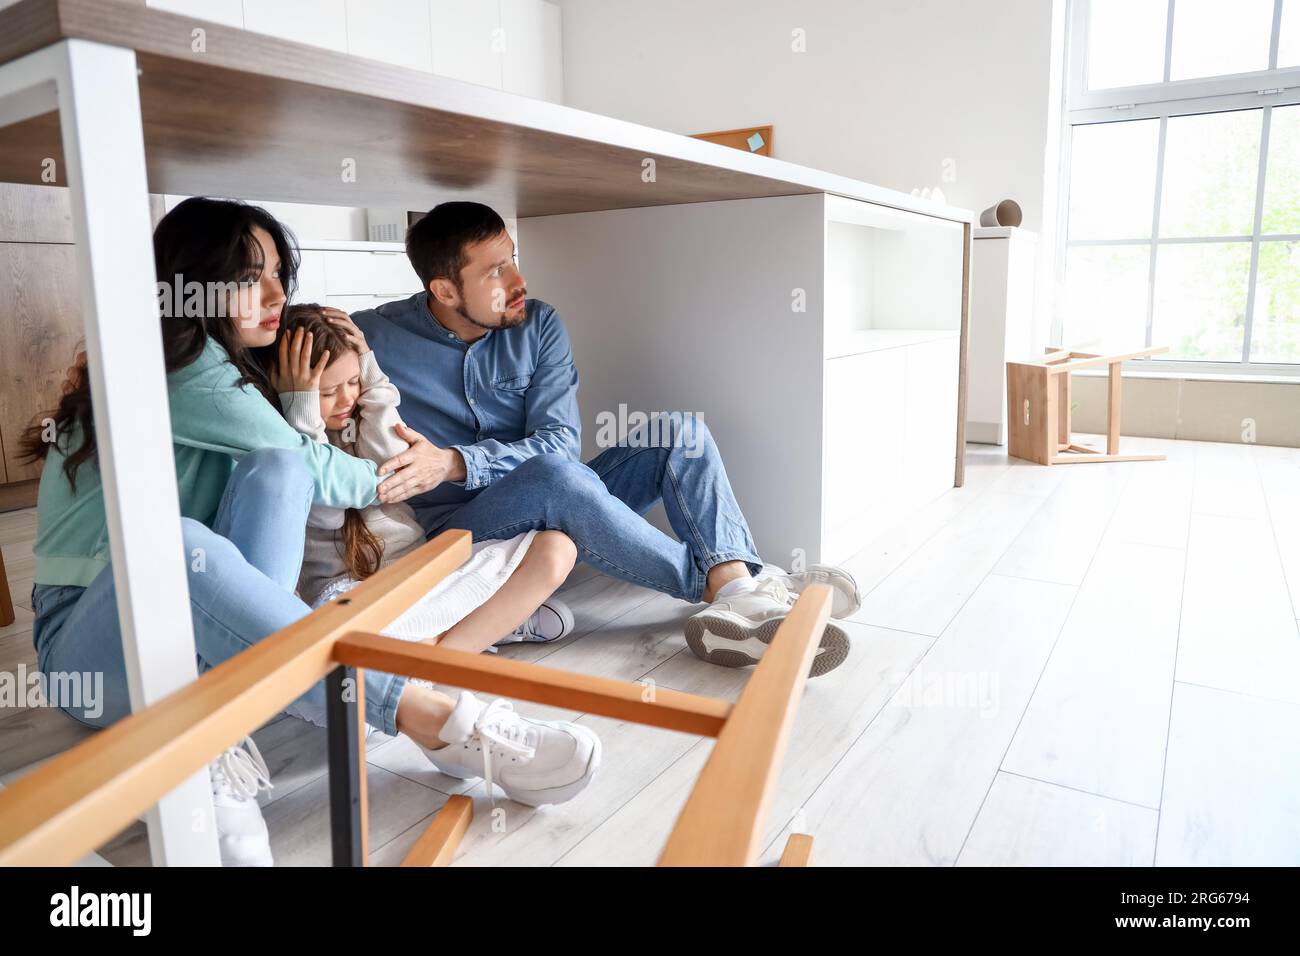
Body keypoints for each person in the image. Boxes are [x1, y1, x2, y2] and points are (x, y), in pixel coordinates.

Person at [23, 198, 599, 867]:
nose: (275, 293)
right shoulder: (181, 371)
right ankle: (437, 721)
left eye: (278, 274)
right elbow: (327, 471)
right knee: (182, 543)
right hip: (89, 647)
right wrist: (408, 474)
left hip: (193, 644)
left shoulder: (226, 367)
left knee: (275, 471)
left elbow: (299, 459)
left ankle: (224, 723)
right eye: (249, 277)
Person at [352, 202, 863, 678]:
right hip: (459, 526)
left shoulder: (539, 323)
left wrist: (457, 461)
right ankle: (738, 587)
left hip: (560, 494)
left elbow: (558, 444)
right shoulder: (372, 336)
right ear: (444, 291)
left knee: (680, 432)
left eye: (513, 260)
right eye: (494, 272)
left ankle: (738, 589)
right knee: (557, 477)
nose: (518, 281)